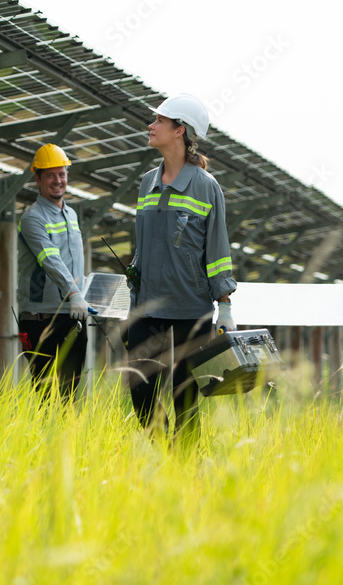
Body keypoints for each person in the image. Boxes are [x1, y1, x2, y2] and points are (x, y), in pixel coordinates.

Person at [126, 93, 237, 446]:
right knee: (140, 389)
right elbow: (143, 246)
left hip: (191, 309)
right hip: (147, 305)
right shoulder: (147, 183)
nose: (151, 125)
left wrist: (226, 306)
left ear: (180, 131)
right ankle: (157, 455)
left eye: (159, 120)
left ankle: (185, 468)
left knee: (184, 396)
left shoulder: (206, 187)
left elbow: (217, 251)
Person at [16, 143, 94, 402]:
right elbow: (50, 259)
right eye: (50, 175)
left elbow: (74, 262)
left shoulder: (71, 214)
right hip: (41, 320)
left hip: (72, 315)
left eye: (61, 174)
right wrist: (74, 293)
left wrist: (86, 292)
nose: (57, 180)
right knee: (47, 396)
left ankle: (67, 443)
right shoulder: (33, 218)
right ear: (37, 178)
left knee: (70, 395)